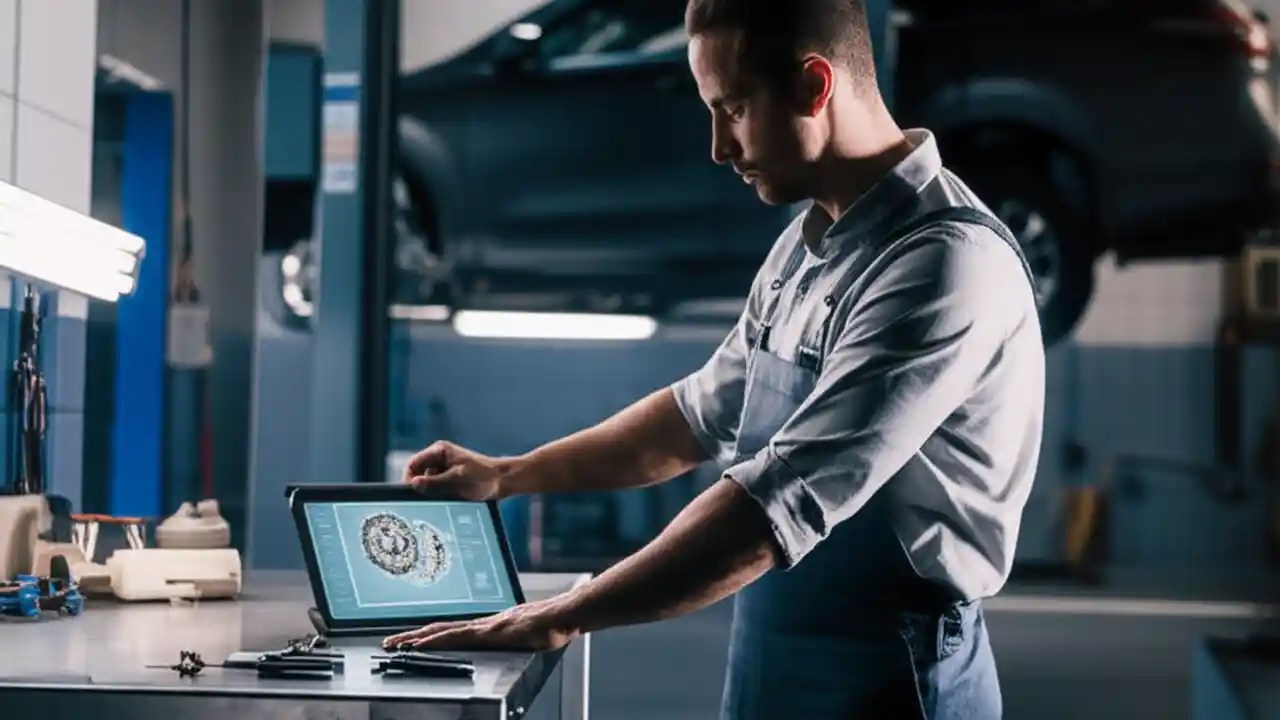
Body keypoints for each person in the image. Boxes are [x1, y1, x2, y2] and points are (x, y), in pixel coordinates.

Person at [384, 1, 1045, 717]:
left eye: (731, 107)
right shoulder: (807, 243)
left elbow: (772, 507)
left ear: (814, 86)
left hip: (896, 677)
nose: (718, 147)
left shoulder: (941, 265)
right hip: (779, 658)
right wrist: (507, 476)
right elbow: (693, 418)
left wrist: (560, 613)